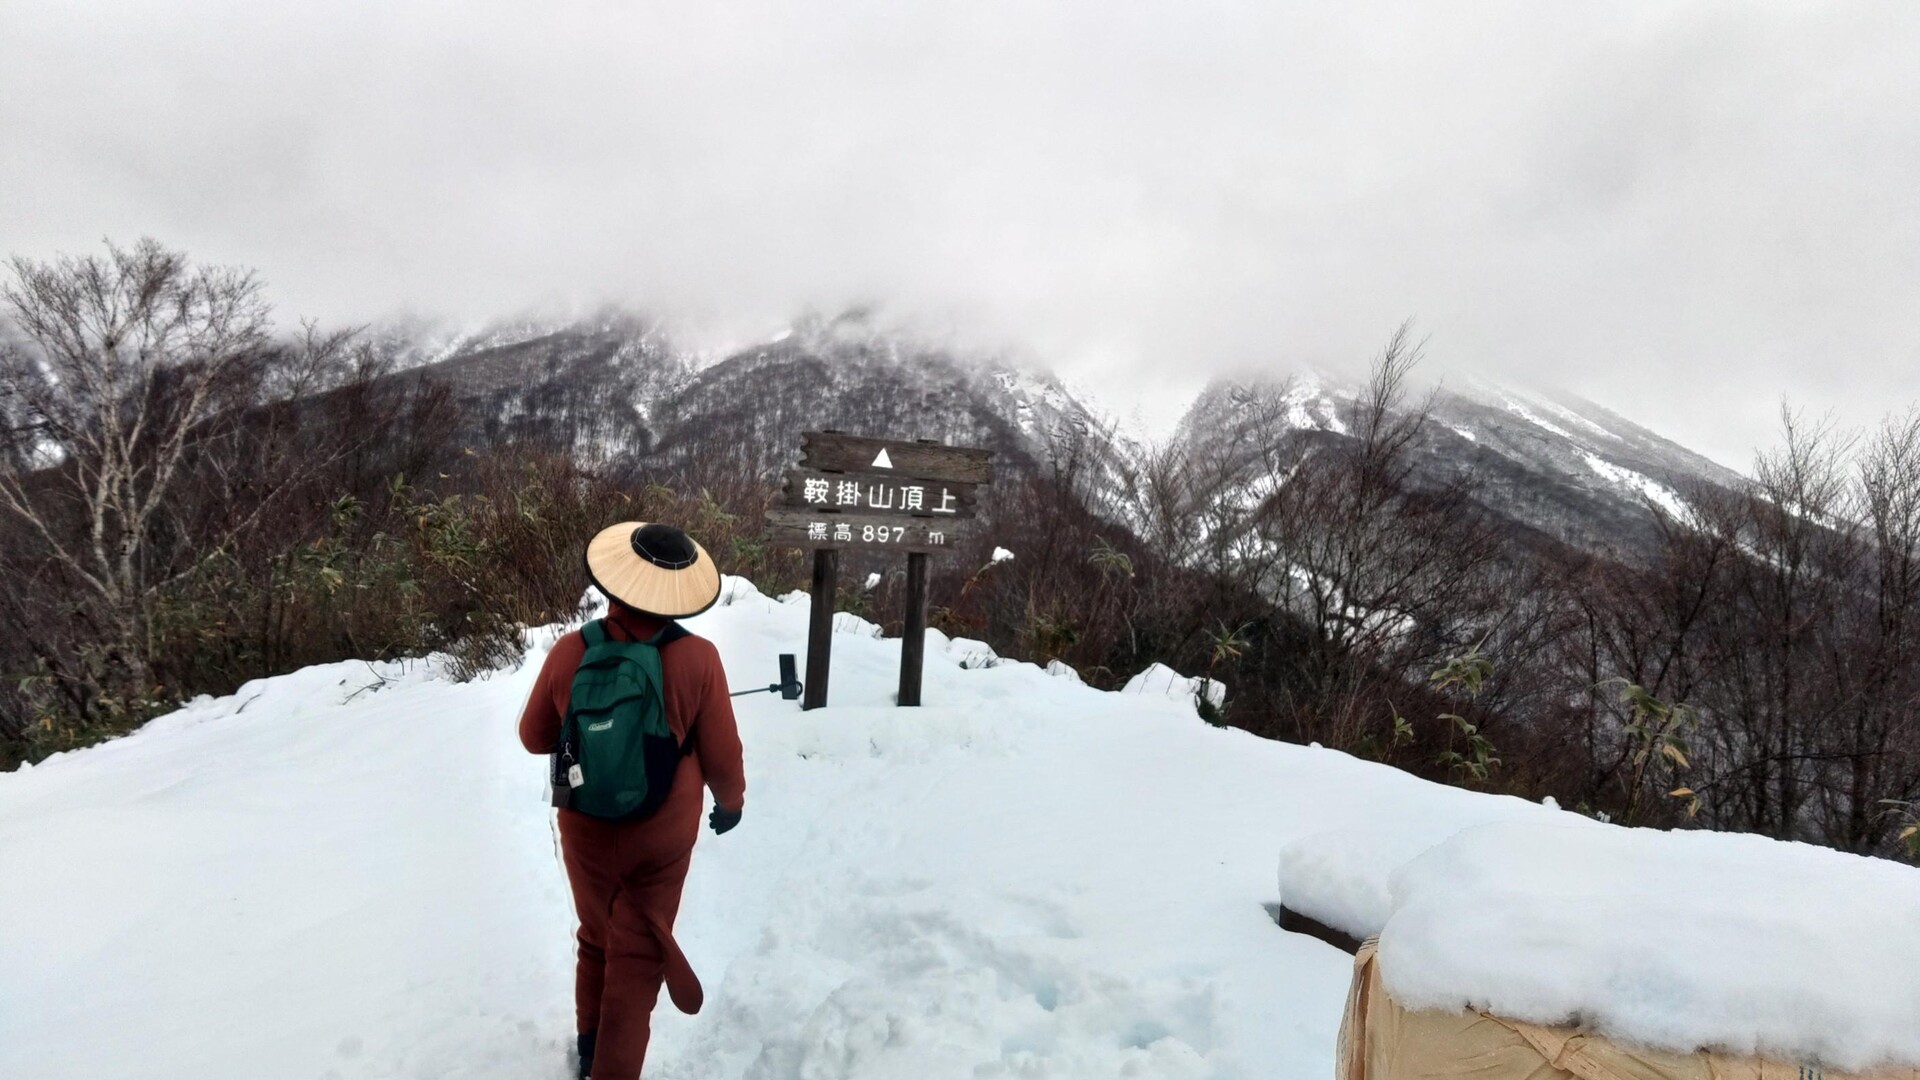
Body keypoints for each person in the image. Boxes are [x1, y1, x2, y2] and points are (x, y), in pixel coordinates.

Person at [518, 521, 746, 1080]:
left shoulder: (573, 649)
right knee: (639, 956)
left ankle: (590, 1049)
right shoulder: (699, 659)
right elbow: (722, 753)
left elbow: (533, 736)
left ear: (616, 582)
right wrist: (731, 802)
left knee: (596, 938)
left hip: (586, 828)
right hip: (661, 840)